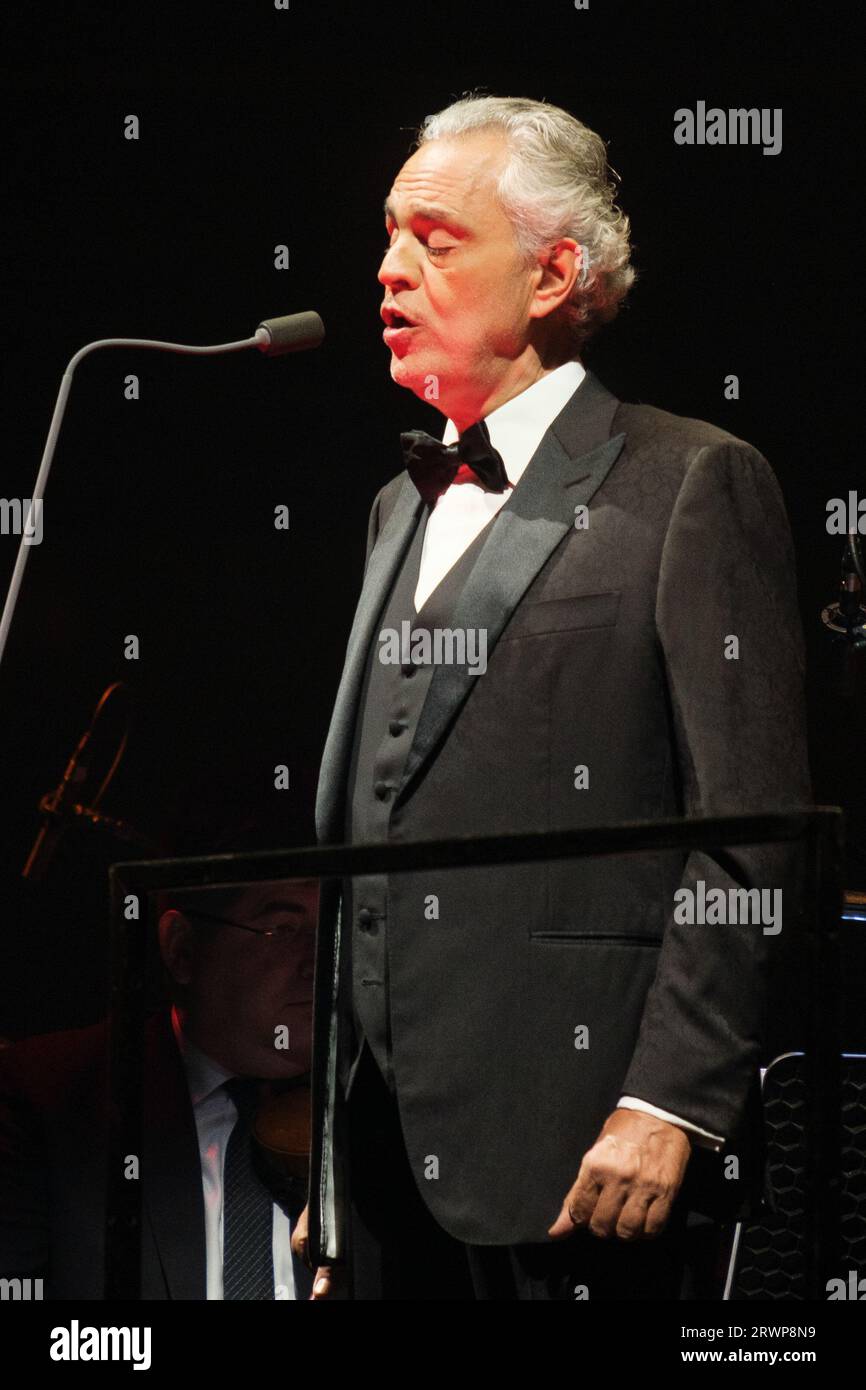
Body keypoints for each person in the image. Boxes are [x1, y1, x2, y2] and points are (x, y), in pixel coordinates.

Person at [298, 94, 812, 1301]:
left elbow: (746, 832)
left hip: (581, 1154)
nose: (388, 268)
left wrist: (669, 1098)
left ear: (551, 274)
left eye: (434, 237)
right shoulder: (394, 508)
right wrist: (330, 1172)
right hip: (383, 1174)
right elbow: (360, 852)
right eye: (385, 235)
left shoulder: (690, 482)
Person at [0, 878, 318, 1299]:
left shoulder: (380, 1111)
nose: (319, 964)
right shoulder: (44, 1095)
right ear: (181, 949)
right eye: (284, 929)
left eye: (332, 927)